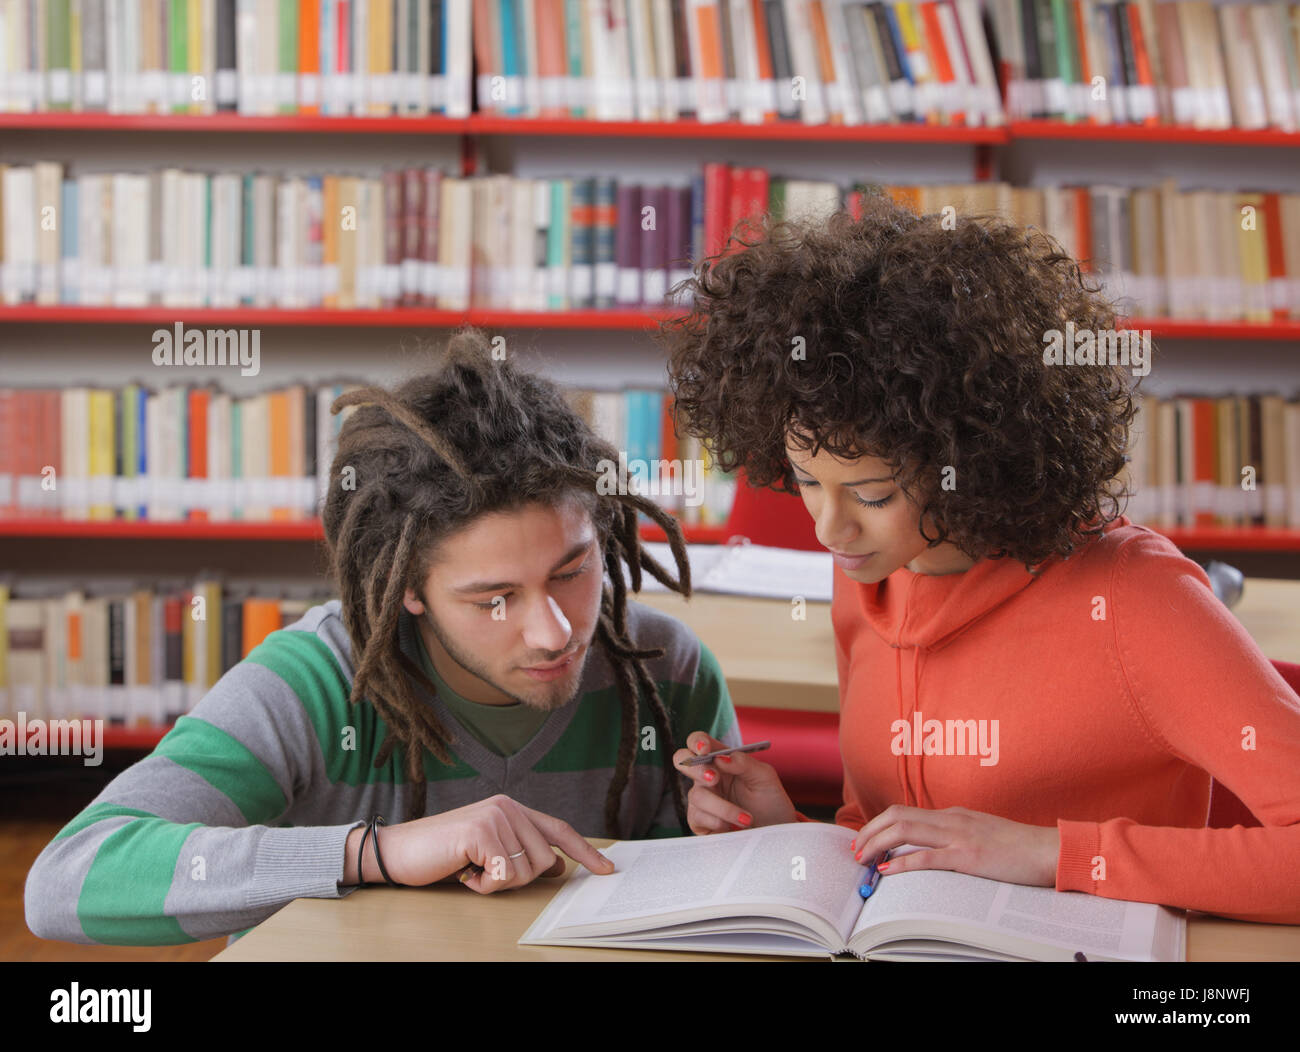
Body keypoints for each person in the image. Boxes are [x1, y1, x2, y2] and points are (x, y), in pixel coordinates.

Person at [658, 194, 1300, 925]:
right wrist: (787, 833)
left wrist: (1049, 852)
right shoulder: (865, 583)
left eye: (871, 494)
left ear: (970, 455)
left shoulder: (1136, 598)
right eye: (807, 482)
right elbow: (904, 857)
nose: (828, 529)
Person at [24, 328, 740, 946]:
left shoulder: (668, 673)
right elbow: (67, 882)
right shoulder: (313, 684)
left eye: (573, 570)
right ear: (408, 591)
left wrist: (758, 838)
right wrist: (376, 853)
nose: (554, 631)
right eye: (494, 598)